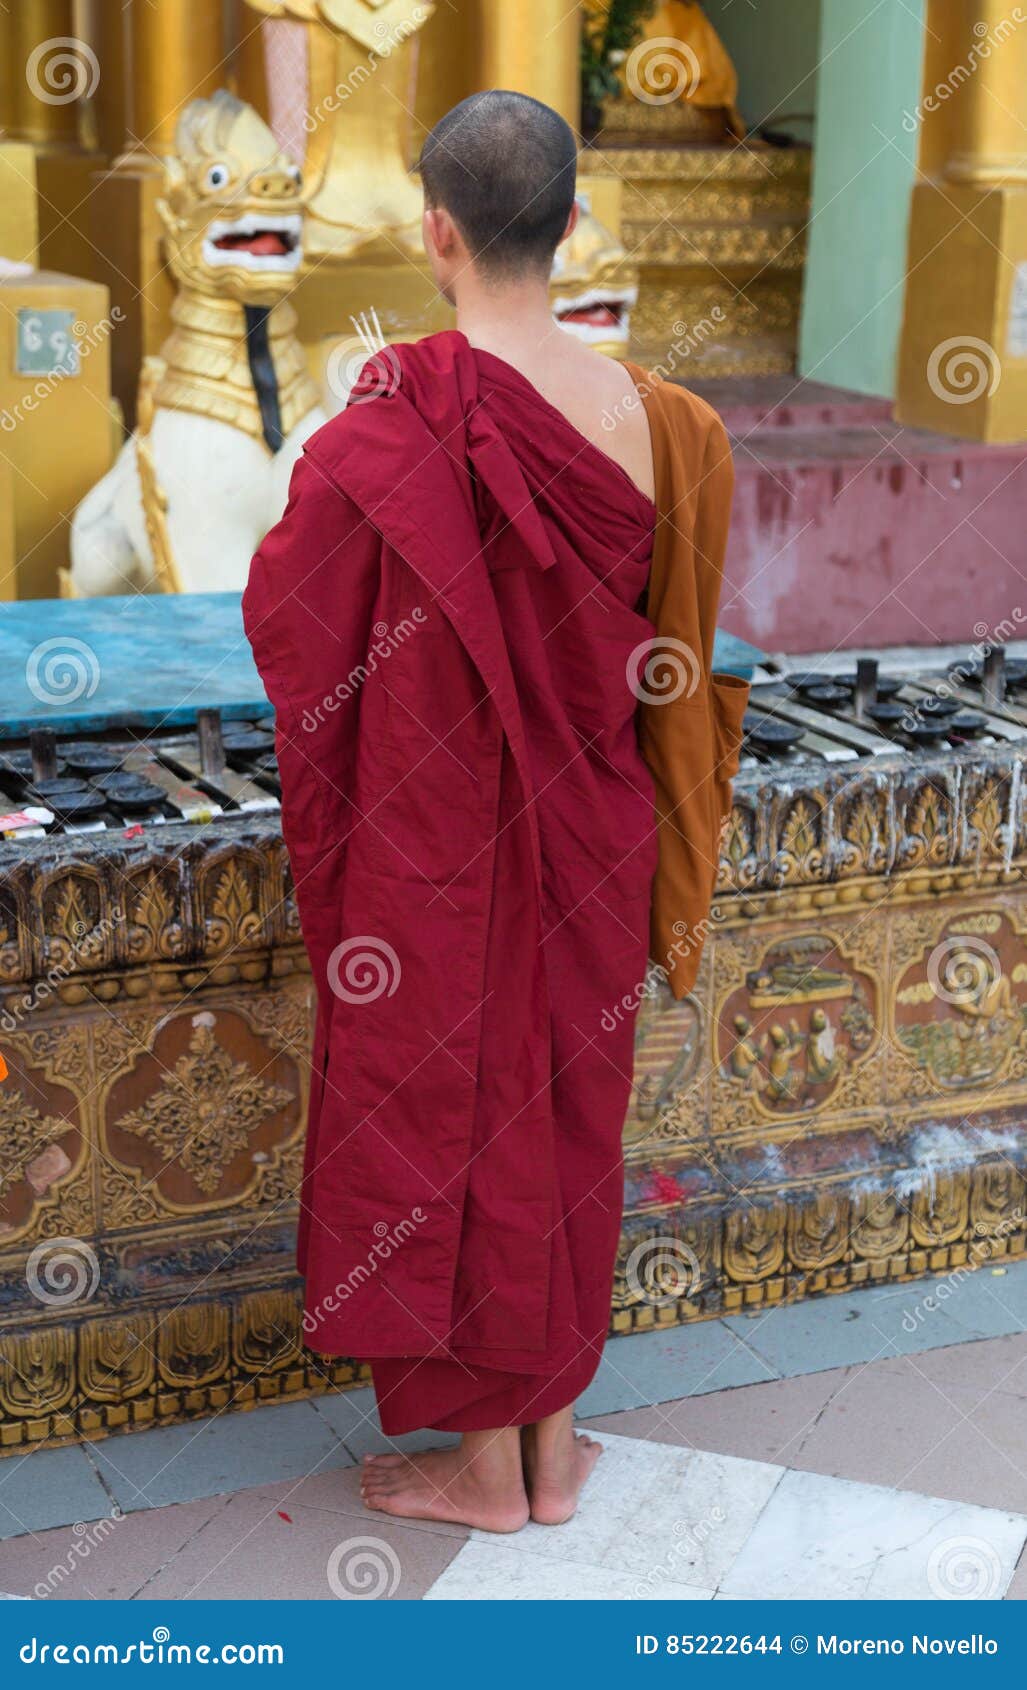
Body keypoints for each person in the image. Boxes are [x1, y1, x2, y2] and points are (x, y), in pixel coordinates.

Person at [243, 90, 747, 1534]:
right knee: (564, 1128)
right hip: (597, 834)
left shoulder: (387, 424)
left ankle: (486, 1463)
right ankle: (546, 1451)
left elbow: (290, 616)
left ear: (435, 233)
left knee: (462, 1136)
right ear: (574, 222)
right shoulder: (664, 422)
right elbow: (679, 653)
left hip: (438, 852)